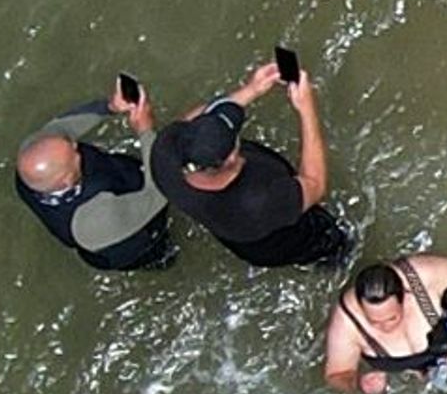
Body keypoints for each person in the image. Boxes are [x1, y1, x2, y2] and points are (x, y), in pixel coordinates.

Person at [149, 61, 349, 268]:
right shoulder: (258, 202)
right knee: (330, 243)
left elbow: (192, 120)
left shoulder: (164, 155)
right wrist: (307, 109)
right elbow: (315, 184)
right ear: (232, 159)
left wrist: (252, 89)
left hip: (233, 229)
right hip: (278, 240)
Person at [13, 80, 175, 271]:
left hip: (117, 182)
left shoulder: (31, 160)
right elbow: (159, 194)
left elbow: (62, 128)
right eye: (74, 155)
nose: (75, 145)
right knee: (160, 252)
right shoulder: (93, 220)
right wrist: (146, 131)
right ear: (66, 182)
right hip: (128, 237)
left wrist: (110, 107)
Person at [324, 255, 447, 394]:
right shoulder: (347, 319)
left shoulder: (424, 276)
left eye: (392, 318)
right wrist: (359, 383)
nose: (385, 327)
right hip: (421, 372)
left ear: (404, 297)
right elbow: (336, 375)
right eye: (374, 321)